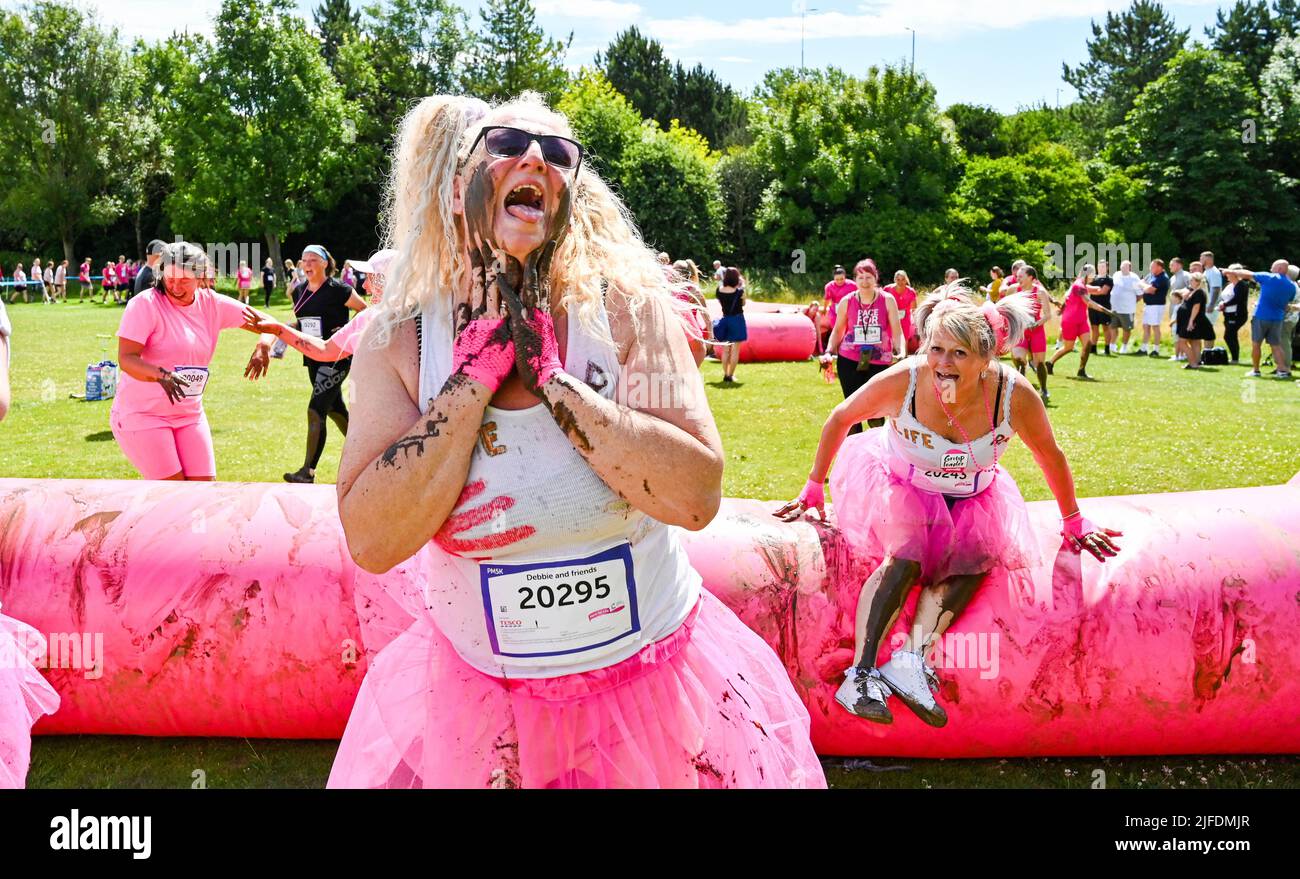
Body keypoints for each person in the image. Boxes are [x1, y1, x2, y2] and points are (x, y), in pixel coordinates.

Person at [329, 92, 823, 789]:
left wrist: (558, 386)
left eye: (557, 154)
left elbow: (695, 496)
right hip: (480, 698)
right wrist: (472, 380)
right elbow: (374, 538)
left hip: (648, 684)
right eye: (507, 143)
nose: (536, 158)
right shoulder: (400, 339)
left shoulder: (627, 310)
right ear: (453, 182)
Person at [776, 285, 1122, 727]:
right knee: (906, 559)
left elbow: (1048, 454)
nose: (942, 363)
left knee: (976, 562)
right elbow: (840, 417)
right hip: (905, 484)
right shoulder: (906, 378)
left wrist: (1073, 520)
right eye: (936, 348)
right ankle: (859, 676)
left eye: (959, 354)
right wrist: (813, 486)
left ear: (987, 357)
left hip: (975, 493)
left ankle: (910, 662)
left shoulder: (1014, 396)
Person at [110, 242, 278, 480]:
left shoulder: (212, 304)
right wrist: (161, 375)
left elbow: (269, 324)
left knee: (203, 493)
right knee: (175, 496)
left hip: (189, 415)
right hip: (143, 414)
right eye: (170, 279)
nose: (175, 287)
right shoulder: (145, 304)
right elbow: (126, 359)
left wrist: (263, 346)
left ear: (201, 277)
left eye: (184, 281)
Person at [281, 244, 367, 483]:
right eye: (303, 260)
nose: (306, 264)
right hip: (312, 357)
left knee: (316, 408)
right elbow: (302, 322)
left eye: (312, 260)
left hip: (337, 356)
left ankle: (307, 471)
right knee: (334, 407)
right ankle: (369, 452)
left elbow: (364, 311)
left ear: (325, 263)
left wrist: (347, 331)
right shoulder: (299, 291)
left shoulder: (340, 289)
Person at [245, 250, 395, 378]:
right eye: (304, 261)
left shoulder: (413, 319)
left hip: (342, 366)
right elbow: (325, 349)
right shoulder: (367, 318)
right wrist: (277, 331)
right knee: (329, 407)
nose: (364, 286)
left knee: (321, 407)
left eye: (371, 278)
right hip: (318, 358)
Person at [820, 258, 905, 434]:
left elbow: (897, 332)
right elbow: (837, 331)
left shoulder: (887, 300)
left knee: (876, 412)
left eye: (868, 277)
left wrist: (902, 351)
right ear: (855, 280)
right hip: (849, 360)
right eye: (860, 278)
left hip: (879, 361)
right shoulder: (847, 301)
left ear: (876, 278)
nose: (865, 282)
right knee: (851, 411)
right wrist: (829, 351)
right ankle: (854, 452)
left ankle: (880, 449)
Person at [1048, 264, 1112, 380]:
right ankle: (1050, 363)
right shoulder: (1078, 285)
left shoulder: (1082, 285)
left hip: (1081, 321)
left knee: (1087, 345)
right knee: (1068, 347)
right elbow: (1088, 301)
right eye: (1093, 274)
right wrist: (1106, 310)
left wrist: (1099, 289)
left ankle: (1081, 370)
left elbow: (1073, 296)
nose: (1094, 277)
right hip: (1070, 321)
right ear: (1088, 274)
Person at [1236, 260, 1296, 378]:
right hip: (1278, 318)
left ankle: (1256, 370)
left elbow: (1248, 274)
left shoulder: (1269, 277)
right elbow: (1286, 305)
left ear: (1278, 269)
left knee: (1256, 344)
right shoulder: (1291, 286)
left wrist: (1229, 271)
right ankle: (1283, 370)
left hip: (1262, 316)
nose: (1270, 270)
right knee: (1276, 345)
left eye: (1272, 267)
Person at [1007, 266, 1053, 400]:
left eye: (1021, 276)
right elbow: (1006, 307)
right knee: (1018, 357)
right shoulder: (1014, 290)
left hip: (1036, 330)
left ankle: (1044, 388)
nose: (1017, 278)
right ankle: (1023, 383)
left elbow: (1048, 315)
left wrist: (1035, 324)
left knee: (1039, 363)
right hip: (1021, 330)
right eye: (1017, 276)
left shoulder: (1040, 292)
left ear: (1031, 277)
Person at [670, 258, 710, 367]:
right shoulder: (693, 291)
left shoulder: (670, 291)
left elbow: (706, 315)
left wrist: (711, 337)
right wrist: (711, 337)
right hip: (691, 334)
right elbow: (706, 316)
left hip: (682, 333)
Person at [712, 267, 747, 383]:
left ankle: (725, 374)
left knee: (726, 350)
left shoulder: (719, 290)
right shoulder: (740, 292)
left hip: (725, 319)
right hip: (737, 320)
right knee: (735, 350)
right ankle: (731, 375)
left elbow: (721, 301)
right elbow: (743, 303)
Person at [1175, 271, 1215, 368]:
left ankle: (1192, 363)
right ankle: (1197, 362)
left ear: (1198, 282)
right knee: (1194, 341)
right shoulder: (1192, 291)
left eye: (1192, 280)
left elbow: (1196, 307)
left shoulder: (1199, 292)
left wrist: (1190, 321)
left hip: (1191, 320)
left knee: (1182, 341)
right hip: (1187, 319)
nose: (1190, 281)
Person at [1217, 264, 1250, 363]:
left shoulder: (1242, 285)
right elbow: (1224, 298)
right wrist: (1221, 304)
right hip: (1228, 314)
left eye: (1229, 273)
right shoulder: (1229, 285)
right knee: (1231, 335)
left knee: (1228, 335)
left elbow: (1238, 299)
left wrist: (1225, 304)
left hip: (1237, 314)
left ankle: (1235, 358)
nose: (1226, 275)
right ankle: (1235, 358)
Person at [1137, 258, 1169, 356]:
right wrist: (1144, 285)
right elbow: (1143, 284)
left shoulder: (1162, 277)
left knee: (1155, 327)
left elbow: (1150, 289)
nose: (1151, 268)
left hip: (1156, 305)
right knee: (1146, 326)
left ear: (1159, 267)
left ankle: (1156, 350)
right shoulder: (1151, 275)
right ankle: (1144, 348)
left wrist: (1142, 285)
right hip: (1148, 305)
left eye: (1153, 266)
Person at [883, 270, 919, 354]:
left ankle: (903, 357)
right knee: (889, 336)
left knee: (904, 337)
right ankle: (888, 356)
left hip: (904, 317)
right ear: (894, 279)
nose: (900, 282)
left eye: (903, 279)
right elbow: (881, 303)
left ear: (906, 280)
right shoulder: (887, 289)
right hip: (890, 317)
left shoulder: (911, 291)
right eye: (898, 279)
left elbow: (914, 308)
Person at [1109, 259, 1142, 353]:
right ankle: (1112, 345)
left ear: (1130, 268)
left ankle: (1124, 347)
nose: (1123, 268)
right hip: (1114, 307)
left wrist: (1130, 302)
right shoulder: (1116, 275)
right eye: (1122, 266)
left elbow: (1139, 295)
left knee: (1126, 329)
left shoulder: (1134, 278)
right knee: (1112, 327)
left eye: (1125, 267)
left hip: (1127, 309)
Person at [821, 265, 855, 347]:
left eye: (842, 279)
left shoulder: (852, 285)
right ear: (833, 278)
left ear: (845, 277)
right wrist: (824, 309)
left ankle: (847, 347)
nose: (839, 281)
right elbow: (827, 299)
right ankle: (836, 349)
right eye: (837, 279)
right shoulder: (829, 286)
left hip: (849, 310)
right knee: (836, 329)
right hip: (834, 311)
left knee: (848, 329)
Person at [1088, 260, 1116, 356]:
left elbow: (1103, 291)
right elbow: (1087, 290)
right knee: (1094, 328)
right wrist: (1096, 290)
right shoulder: (1093, 278)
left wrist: (1093, 291)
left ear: (1107, 268)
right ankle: (1093, 349)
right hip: (1092, 307)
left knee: (1106, 328)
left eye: (1103, 266)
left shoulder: (1109, 279)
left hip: (1104, 307)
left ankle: (1107, 349)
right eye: (1099, 266)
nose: (1101, 268)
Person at [1202, 251, 1224, 327]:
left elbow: (1216, 289)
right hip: (1206, 304)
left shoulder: (1214, 272)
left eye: (1202, 258)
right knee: (1204, 327)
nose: (1200, 260)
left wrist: (1211, 305)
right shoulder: (1206, 271)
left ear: (1209, 259)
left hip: (1212, 305)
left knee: (1208, 327)